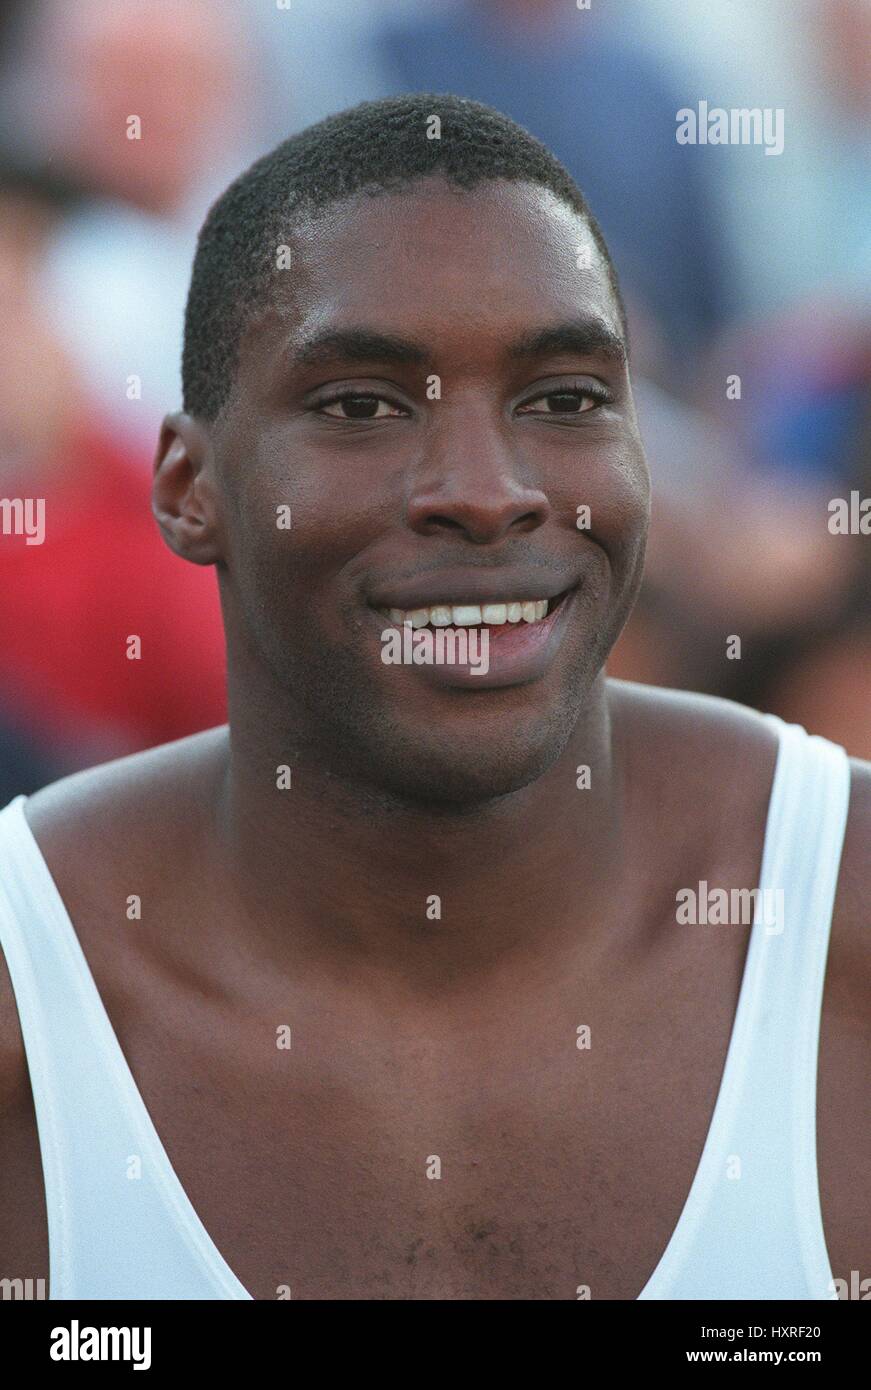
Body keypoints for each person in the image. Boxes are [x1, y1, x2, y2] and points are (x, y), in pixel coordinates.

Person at [0, 95, 867, 1302]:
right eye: (362, 405)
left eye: (564, 398)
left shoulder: (844, 919)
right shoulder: (28, 990)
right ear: (189, 488)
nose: (486, 490)